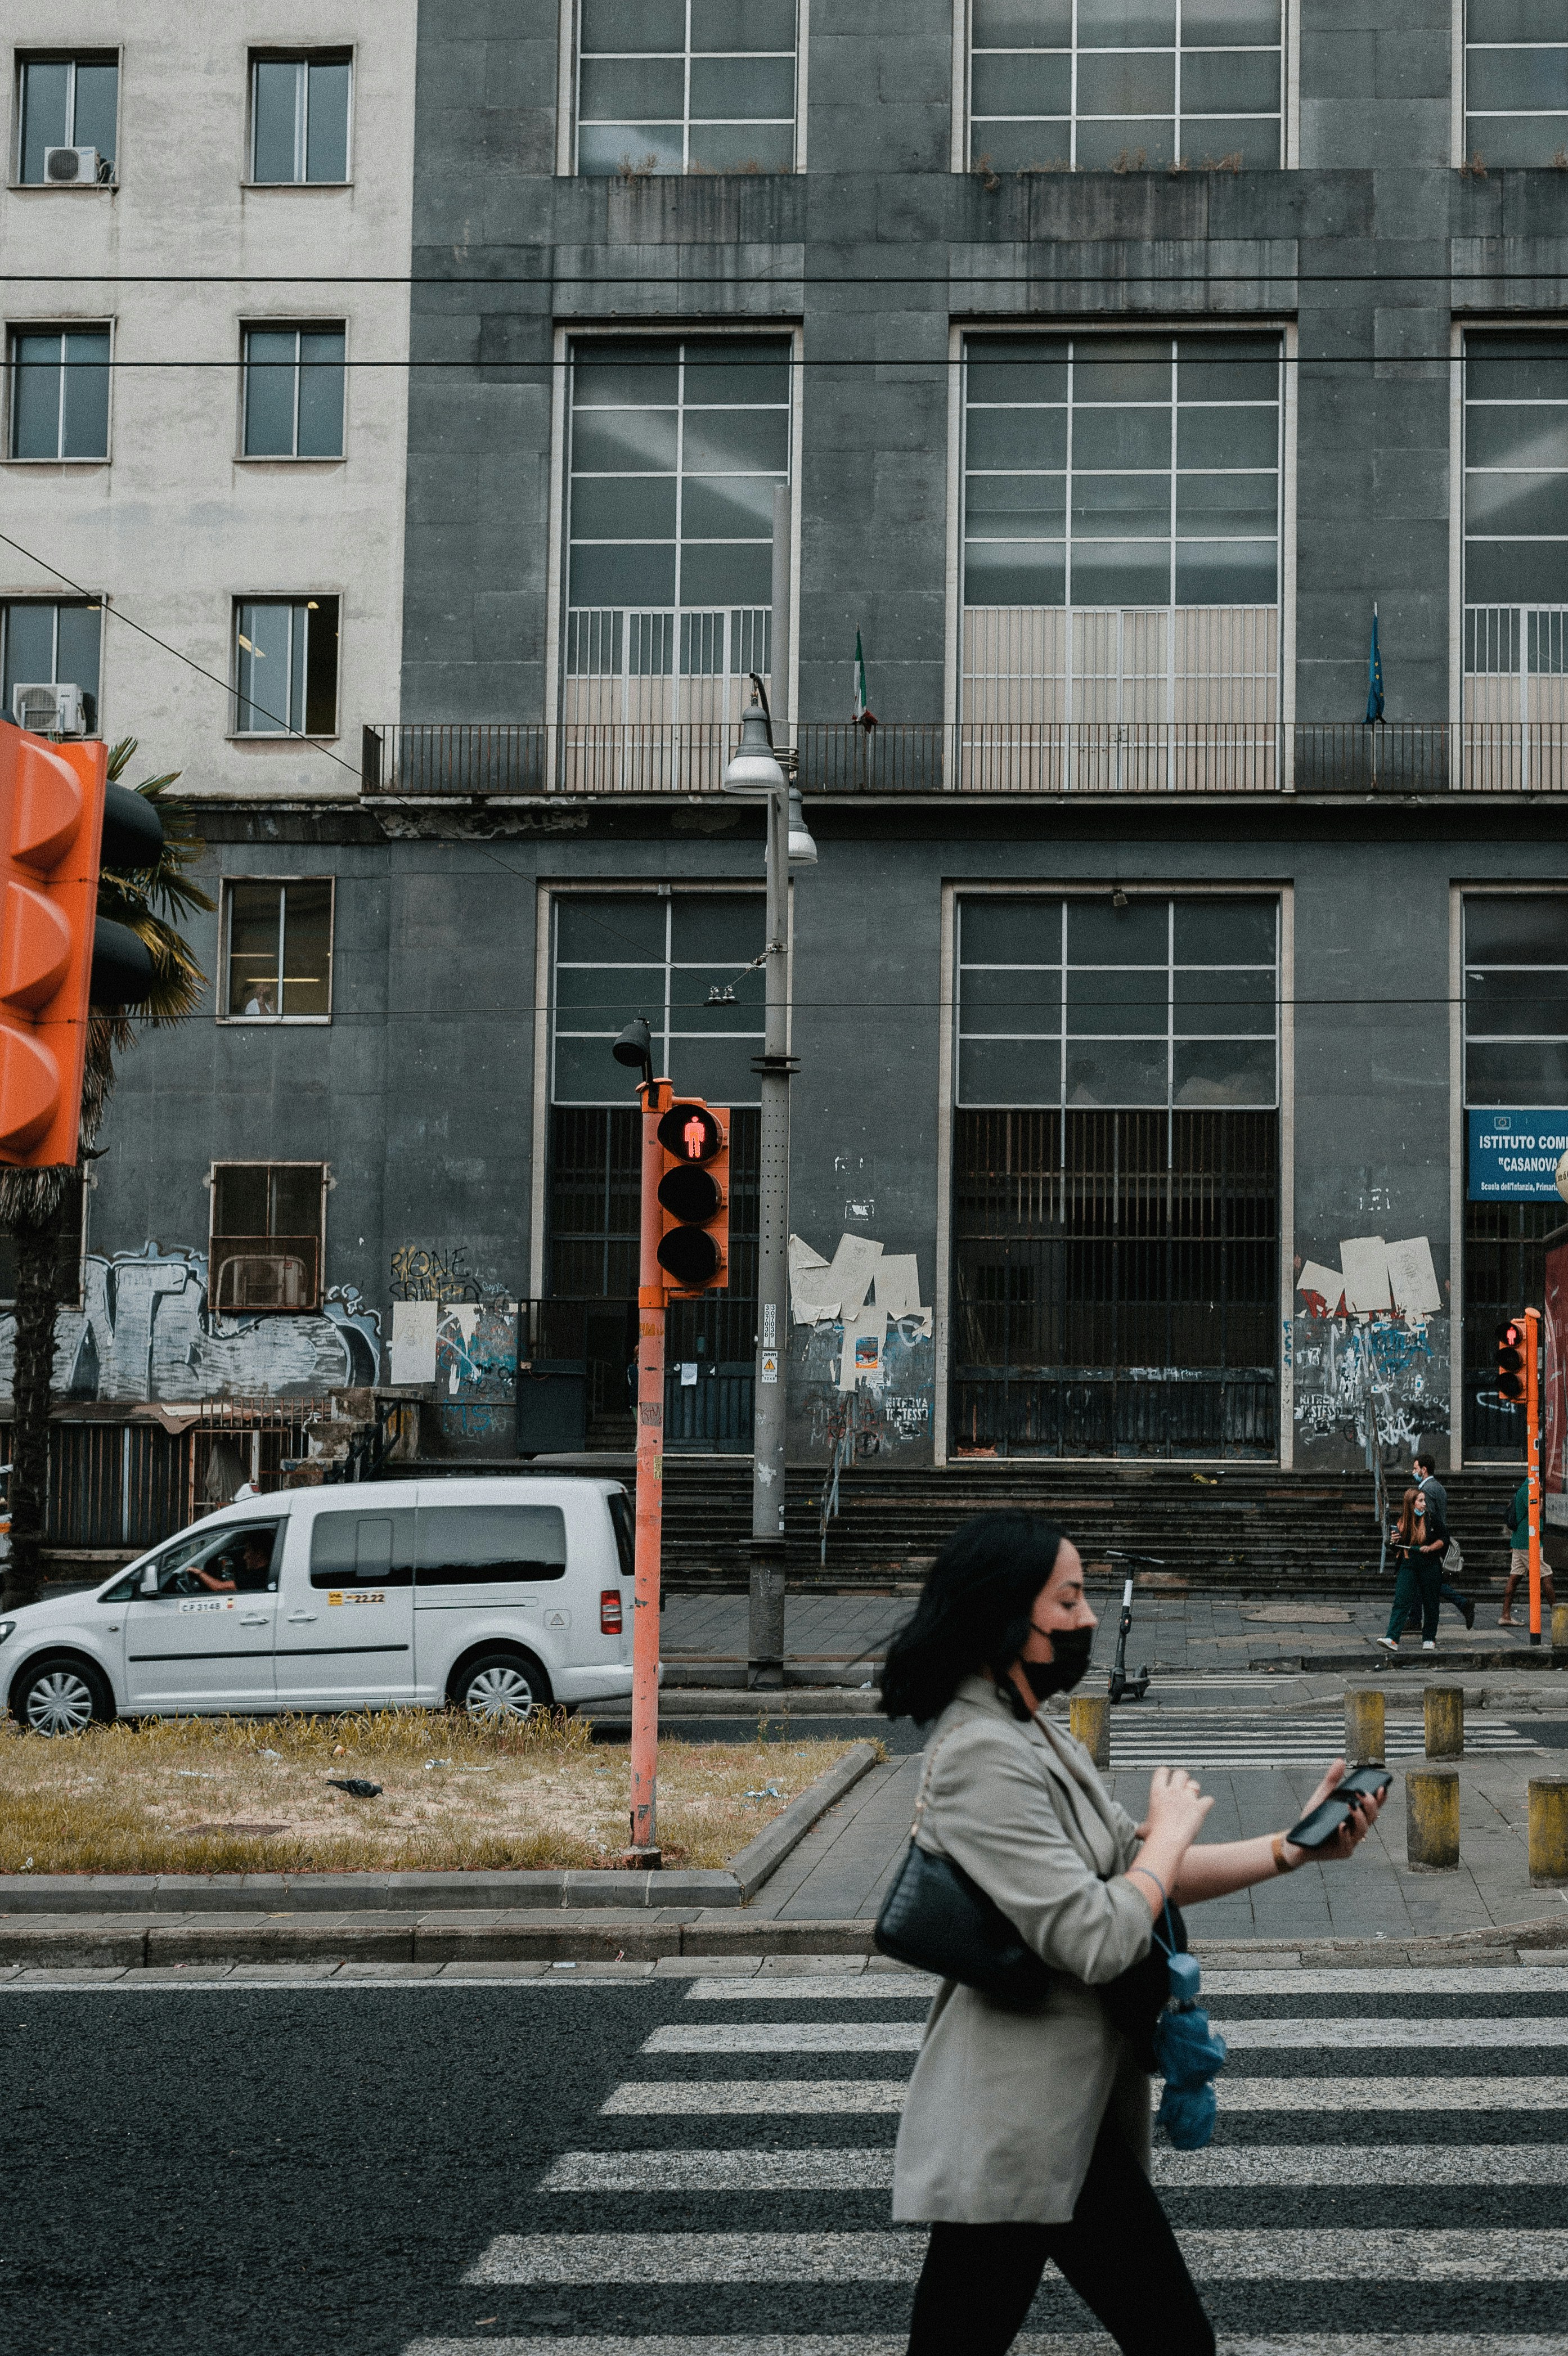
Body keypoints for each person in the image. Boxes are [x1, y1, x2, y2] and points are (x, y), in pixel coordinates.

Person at [880, 1511, 1383, 2356]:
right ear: (1005, 1615)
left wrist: (1289, 1850)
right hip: (1019, 2122)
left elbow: (1132, 1869)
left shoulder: (1027, 1727)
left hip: (1067, 2124)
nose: (1085, 1621)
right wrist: (1169, 1835)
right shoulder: (977, 1754)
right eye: (1068, 1600)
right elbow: (1098, 1934)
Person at [1408, 1450, 1475, 1631]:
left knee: (1431, 1581)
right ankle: (1414, 1619)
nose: (1413, 1472)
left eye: (1415, 1469)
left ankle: (1463, 1603)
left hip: (1429, 1543)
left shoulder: (1426, 1491)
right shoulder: (1438, 1487)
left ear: (1424, 1469)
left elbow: (1426, 1519)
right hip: (1437, 1540)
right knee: (1421, 1581)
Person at [1377, 1486, 1440, 1652]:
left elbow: (1444, 1539)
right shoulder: (1402, 1523)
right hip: (1408, 1564)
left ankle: (1429, 1638)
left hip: (1429, 1565)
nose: (1424, 1504)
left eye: (1424, 1500)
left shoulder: (1431, 1519)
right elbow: (1395, 1547)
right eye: (1420, 1501)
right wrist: (1393, 1541)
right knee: (1401, 1600)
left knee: (1430, 1602)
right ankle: (1392, 1638)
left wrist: (1431, 1548)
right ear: (1411, 1504)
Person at [1499, 1476, 1558, 1627]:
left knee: (1515, 1578)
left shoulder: (1523, 1489)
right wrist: (1541, 1495)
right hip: (1530, 1542)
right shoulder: (1528, 1491)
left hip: (1520, 1541)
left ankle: (1505, 1615)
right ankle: (1558, 1617)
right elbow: (1538, 1511)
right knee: (1547, 1576)